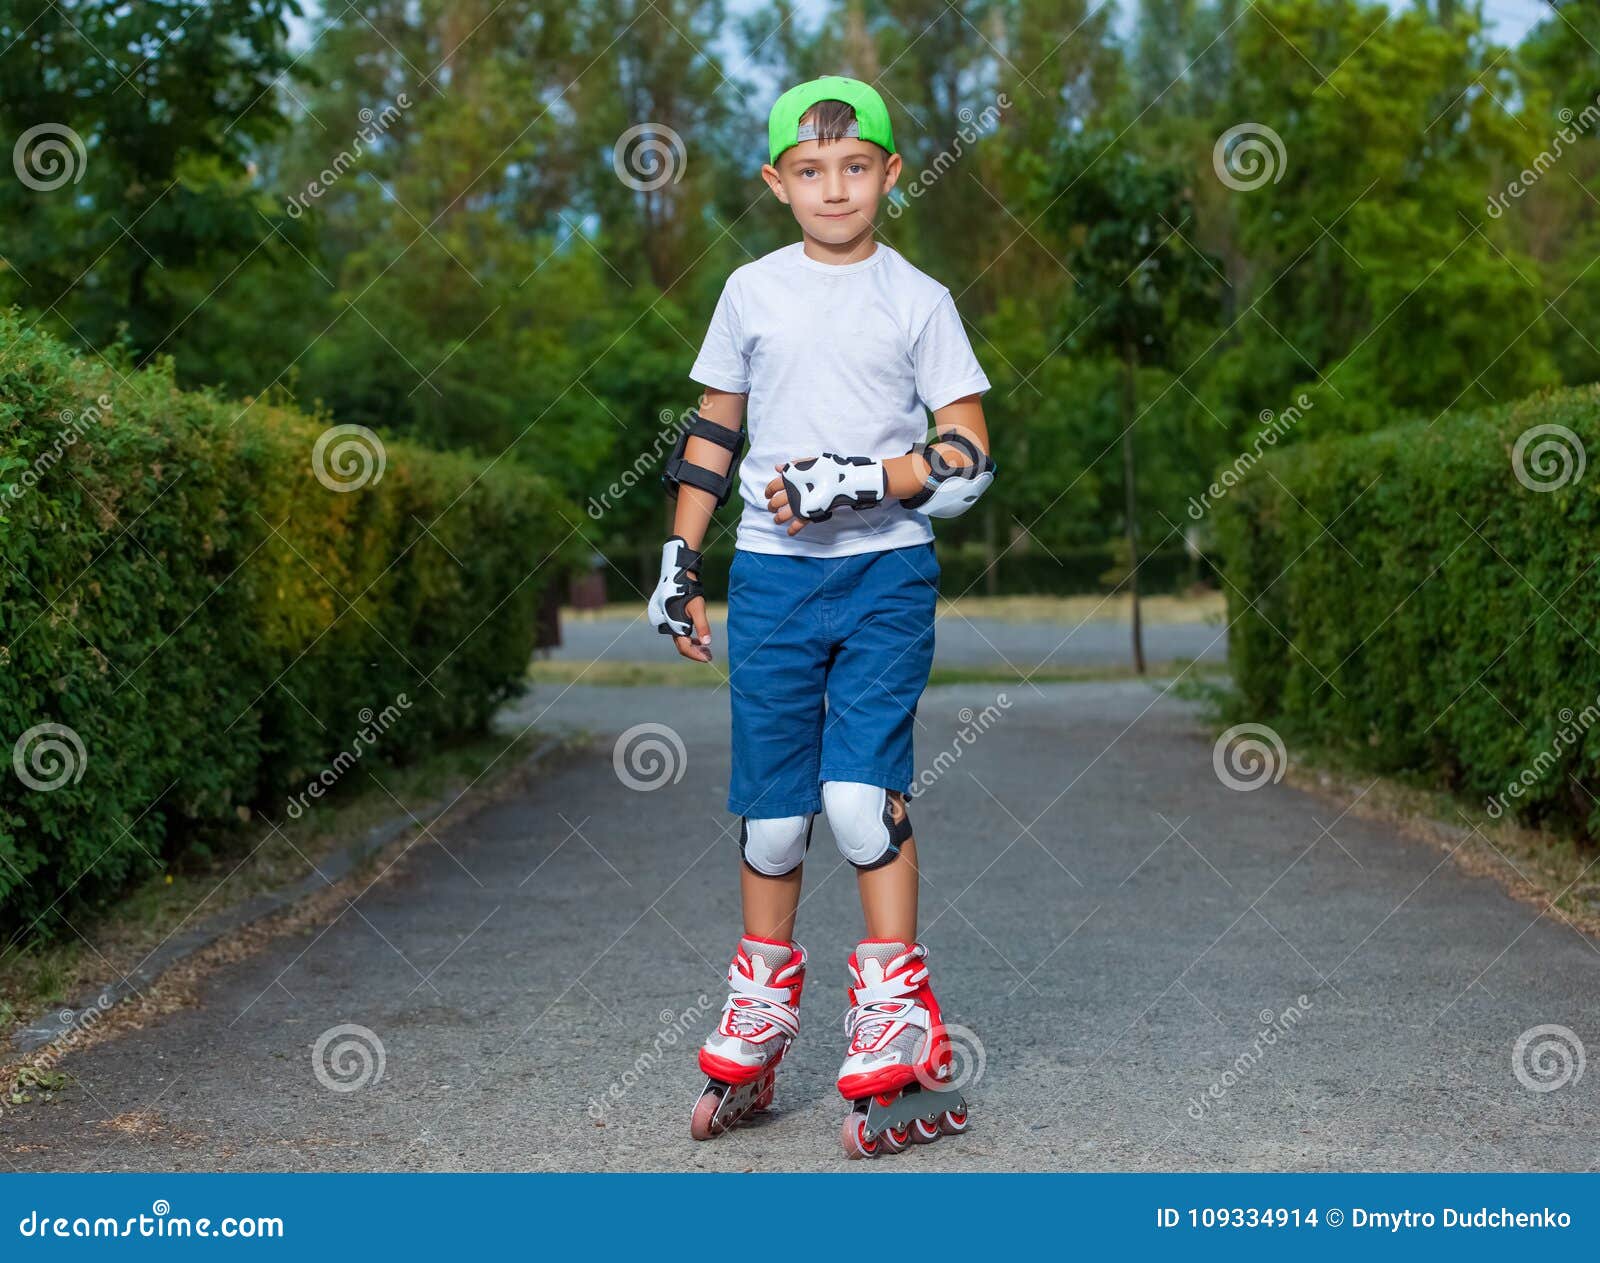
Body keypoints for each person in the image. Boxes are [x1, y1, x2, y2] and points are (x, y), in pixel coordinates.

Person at [646, 75, 995, 1159]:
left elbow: (968, 455)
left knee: (855, 801)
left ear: (891, 173)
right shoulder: (750, 292)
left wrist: (868, 478)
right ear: (776, 183)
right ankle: (761, 1009)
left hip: (886, 575)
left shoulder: (918, 297)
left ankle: (897, 1014)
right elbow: (712, 433)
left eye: (855, 168)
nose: (833, 188)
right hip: (774, 576)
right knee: (770, 817)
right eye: (810, 171)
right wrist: (676, 556)